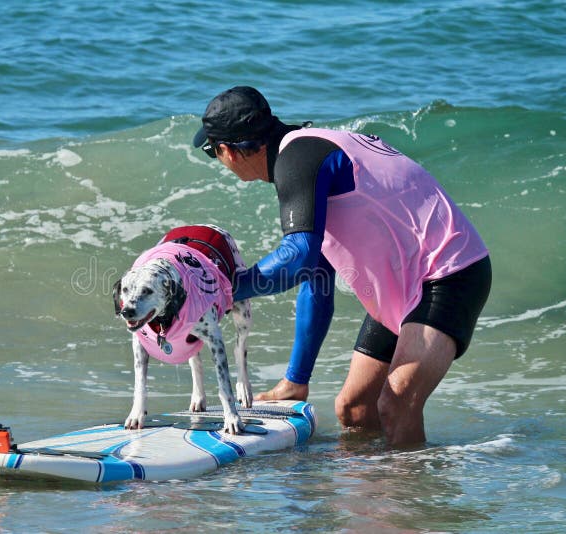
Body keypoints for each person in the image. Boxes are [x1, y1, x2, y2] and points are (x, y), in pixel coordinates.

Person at [192, 86, 492, 446]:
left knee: (396, 404)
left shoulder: (298, 158)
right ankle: (375, 492)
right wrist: (295, 381)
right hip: (406, 284)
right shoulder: (306, 152)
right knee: (354, 408)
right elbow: (315, 277)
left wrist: (225, 287)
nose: (219, 160)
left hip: (449, 273)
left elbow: (297, 254)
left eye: (213, 152)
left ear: (228, 150)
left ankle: (412, 499)